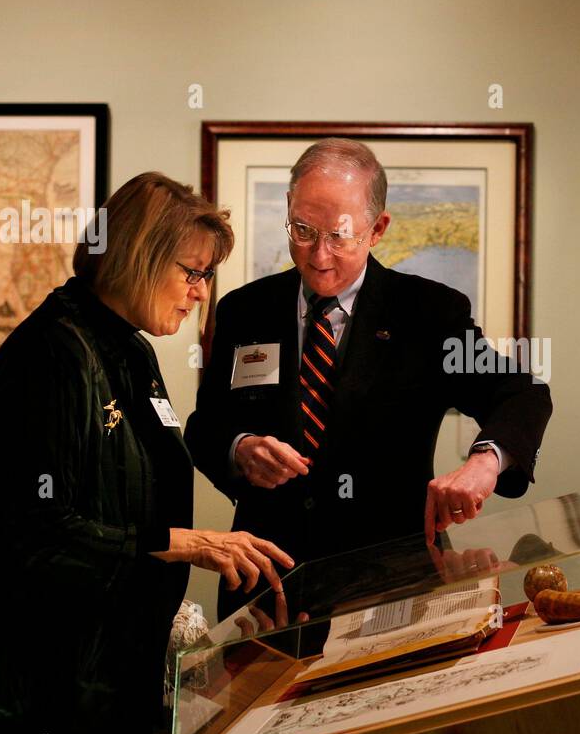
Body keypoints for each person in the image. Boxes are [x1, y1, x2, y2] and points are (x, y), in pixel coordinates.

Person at [0, 172, 291, 734]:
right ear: (137, 256)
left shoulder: (130, 350)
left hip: (112, 670)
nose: (200, 293)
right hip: (55, 681)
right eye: (191, 272)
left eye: (207, 275)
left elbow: (133, 495)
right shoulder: (52, 355)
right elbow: (40, 532)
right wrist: (192, 545)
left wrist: (174, 605)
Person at [185, 139, 552, 621]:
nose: (318, 256)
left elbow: (522, 394)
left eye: (339, 236)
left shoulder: (428, 314)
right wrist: (239, 447)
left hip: (391, 587)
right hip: (265, 585)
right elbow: (205, 426)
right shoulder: (243, 309)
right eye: (302, 231)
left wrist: (484, 464)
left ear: (377, 229)